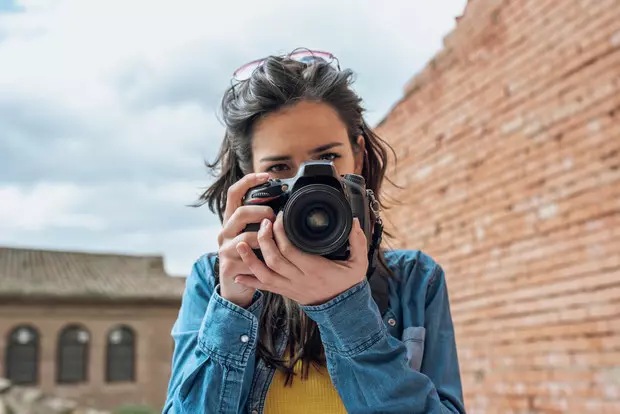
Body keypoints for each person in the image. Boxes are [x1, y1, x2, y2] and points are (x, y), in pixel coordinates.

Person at [163, 49, 466, 414]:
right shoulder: (212, 281)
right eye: (279, 167)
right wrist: (232, 305)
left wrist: (344, 308)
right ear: (250, 177)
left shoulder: (417, 281)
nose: (307, 182)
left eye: (327, 158)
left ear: (359, 155)